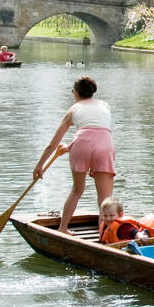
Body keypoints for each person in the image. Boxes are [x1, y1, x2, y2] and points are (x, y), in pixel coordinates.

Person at [34, 76, 117, 234]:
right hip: (104, 145)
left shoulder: (73, 109)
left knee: (77, 190)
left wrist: (40, 166)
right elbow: (96, 131)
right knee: (104, 198)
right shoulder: (105, 105)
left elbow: (55, 143)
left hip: (81, 145)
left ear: (77, 92)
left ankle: (63, 228)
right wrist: (70, 146)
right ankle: (104, 234)